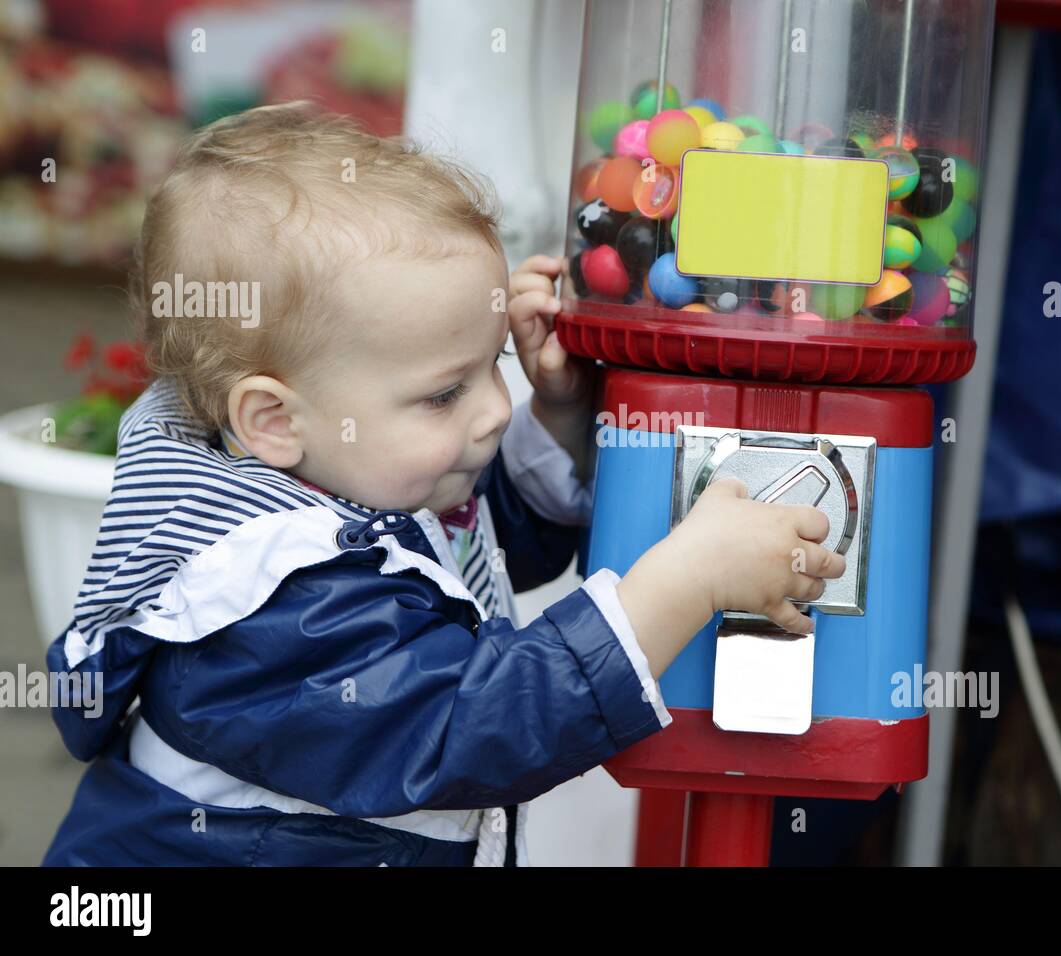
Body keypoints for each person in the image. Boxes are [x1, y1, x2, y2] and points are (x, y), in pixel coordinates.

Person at [43, 103, 845, 866]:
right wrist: (687, 581)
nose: (496, 411)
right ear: (275, 420)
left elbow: (465, 551)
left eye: (493, 366)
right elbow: (476, 727)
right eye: (443, 393)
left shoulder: (333, 477)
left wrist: (559, 419)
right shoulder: (270, 608)